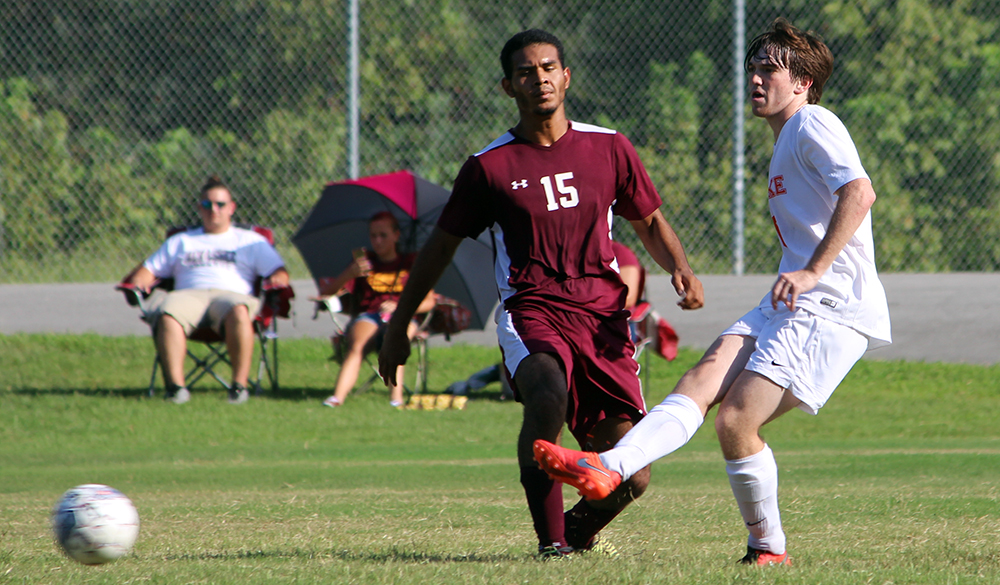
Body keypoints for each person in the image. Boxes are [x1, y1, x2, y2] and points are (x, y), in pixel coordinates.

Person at [532, 18, 892, 567]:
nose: (756, 76)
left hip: (830, 309)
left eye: (770, 67)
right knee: (700, 381)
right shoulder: (786, 139)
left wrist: (814, 271)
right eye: (753, 66)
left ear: (803, 84)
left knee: (735, 422)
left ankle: (768, 551)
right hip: (790, 304)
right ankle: (611, 466)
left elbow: (860, 192)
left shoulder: (813, 122)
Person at [378, 29, 704, 559]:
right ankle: (551, 545)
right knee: (547, 391)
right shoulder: (489, 166)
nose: (540, 78)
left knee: (634, 475)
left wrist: (680, 268)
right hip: (532, 311)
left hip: (602, 320)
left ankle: (575, 531)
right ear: (509, 86)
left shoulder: (609, 146)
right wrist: (397, 327)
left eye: (549, 67)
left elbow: (649, 221)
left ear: (566, 76)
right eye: (526, 72)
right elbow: (438, 250)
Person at [122, 176, 290, 405]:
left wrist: (277, 281)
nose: (214, 210)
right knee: (167, 312)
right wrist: (139, 282)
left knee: (240, 311)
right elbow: (146, 272)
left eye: (220, 204)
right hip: (188, 296)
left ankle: (239, 388)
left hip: (231, 296)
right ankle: (176, 389)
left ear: (232, 208)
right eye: (206, 204)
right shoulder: (181, 241)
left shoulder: (251, 241)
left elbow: (279, 272)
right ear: (199, 208)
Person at [318, 211, 436, 409]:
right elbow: (326, 293)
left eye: (383, 235)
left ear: (396, 236)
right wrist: (349, 274)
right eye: (373, 235)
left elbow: (429, 302)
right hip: (370, 315)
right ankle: (337, 398)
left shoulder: (412, 263)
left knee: (396, 337)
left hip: (402, 317)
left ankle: (395, 399)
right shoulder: (364, 262)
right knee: (357, 345)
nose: (377, 241)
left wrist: (400, 307)